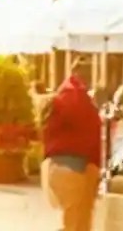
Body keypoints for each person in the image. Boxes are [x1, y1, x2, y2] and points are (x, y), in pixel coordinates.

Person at [42, 57, 103, 231]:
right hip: (76, 166)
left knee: (73, 221)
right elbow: (91, 134)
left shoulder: (63, 96)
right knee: (75, 222)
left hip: (58, 165)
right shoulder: (78, 98)